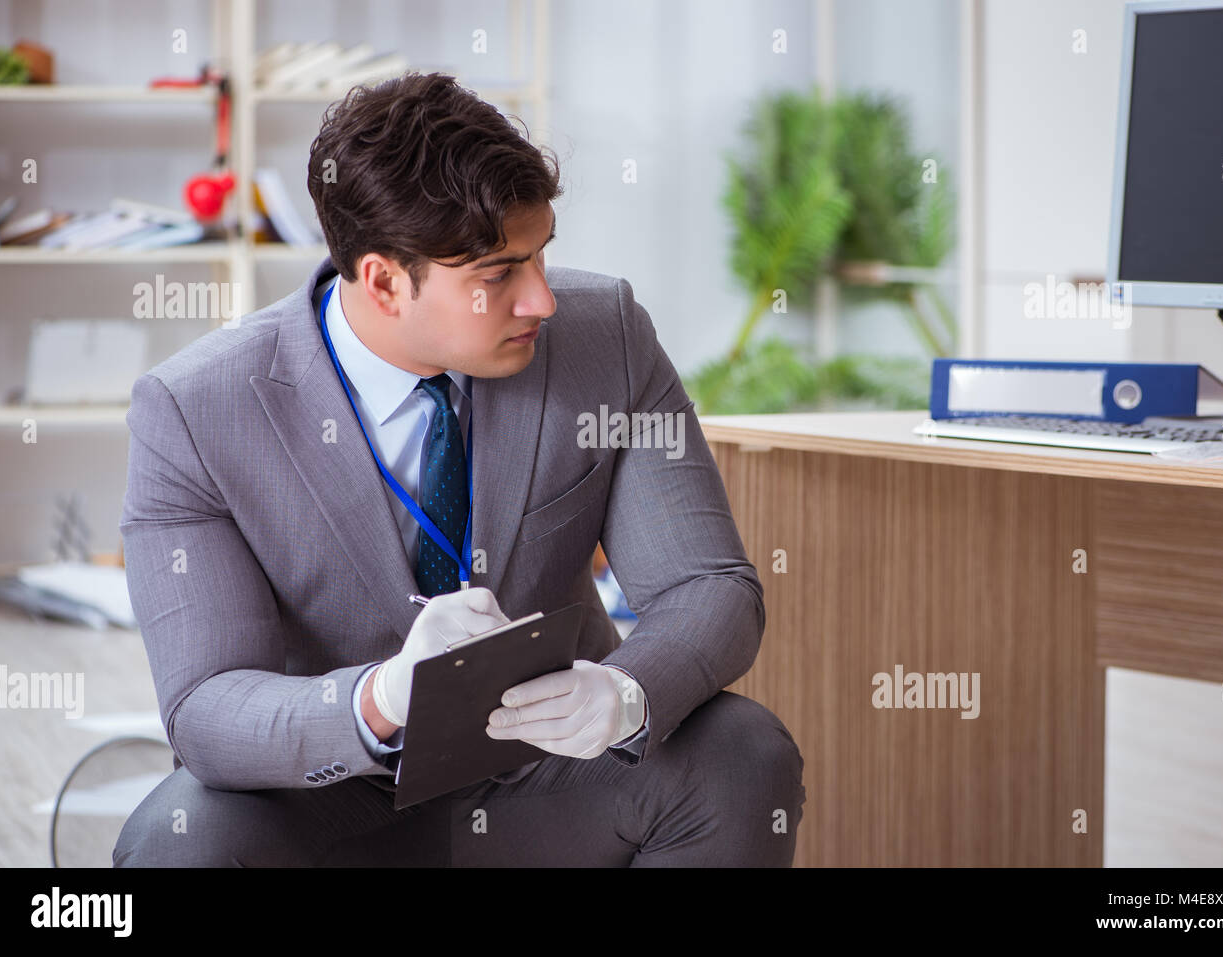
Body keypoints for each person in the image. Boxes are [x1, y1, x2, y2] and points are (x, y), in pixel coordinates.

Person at [112, 71, 804, 867]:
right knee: (182, 837)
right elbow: (205, 706)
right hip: (331, 797)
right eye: (498, 274)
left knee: (741, 752)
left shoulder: (603, 335)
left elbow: (710, 584)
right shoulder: (196, 409)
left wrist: (625, 691)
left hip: (547, 773)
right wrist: (382, 695)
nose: (540, 299)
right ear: (382, 280)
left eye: (541, 256)